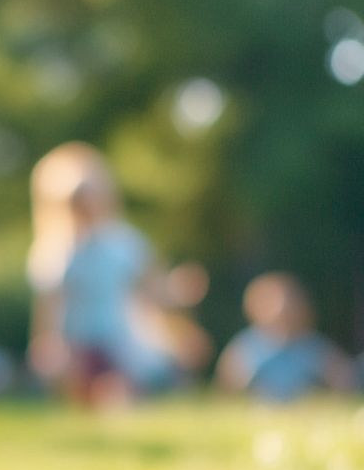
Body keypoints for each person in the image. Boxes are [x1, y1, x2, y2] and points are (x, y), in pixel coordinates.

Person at [26, 142, 207, 405]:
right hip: (77, 344)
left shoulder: (124, 243)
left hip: (121, 341)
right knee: (87, 386)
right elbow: (50, 305)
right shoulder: (55, 250)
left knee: (120, 384)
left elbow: (152, 293)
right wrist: (47, 344)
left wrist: (178, 308)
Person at [216, 272, 356, 401]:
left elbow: (343, 377)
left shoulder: (311, 346)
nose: (282, 314)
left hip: (303, 407)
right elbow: (227, 384)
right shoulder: (247, 346)